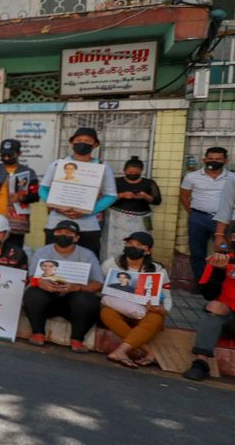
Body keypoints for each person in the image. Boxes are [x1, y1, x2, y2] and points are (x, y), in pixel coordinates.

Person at [22, 219, 104, 349]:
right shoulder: (42, 252)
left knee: (89, 300)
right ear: (54, 234)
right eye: (59, 232)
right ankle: (38, 333)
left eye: (68, 233)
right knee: (33, 293)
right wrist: (40, 282)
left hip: (74, 300)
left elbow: (98, 283)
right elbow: (31, 277)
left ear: (76, 238)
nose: (63, 235)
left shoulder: (87, 255)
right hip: (48, 297)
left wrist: (78, 288)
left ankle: (77, 339)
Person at [38, 127, 117, 256]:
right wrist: (57, 207)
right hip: (57, 223)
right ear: (72, 142)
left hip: (88, 226)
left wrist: (88, 211)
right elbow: (43, 189)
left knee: (86, 263)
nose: (82, 143)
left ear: (95, 144)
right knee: (52, 261)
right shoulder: (58, 164)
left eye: (87, 141)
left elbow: (111, 195)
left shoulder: (102, 167)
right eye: (79, 140)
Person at [100, 233, 172, 369]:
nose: (133, 247)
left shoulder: (158, 269)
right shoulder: (110, 264)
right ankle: (148, 352)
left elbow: (167, 297)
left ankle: (121, 351)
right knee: (106, 313)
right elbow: (102, 288)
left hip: (146, 311)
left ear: (148, 251)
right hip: (120, 309)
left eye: (140, 245)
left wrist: (162, 309)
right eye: (130, 244)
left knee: (157, 318)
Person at [183, 244, 235, 382]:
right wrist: (219, 272)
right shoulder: (220, 259)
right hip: (228, 318)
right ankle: (201, 364)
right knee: (214, 306)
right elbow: (208, 295)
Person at [0, 139, 40, 250]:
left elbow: (35, 196)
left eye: (10, 155)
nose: (6, 158)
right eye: (3, 155)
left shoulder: (29, 172)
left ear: (19, 154)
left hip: (16, 222)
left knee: (13, 253)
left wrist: (22, 197)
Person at [180, 147, 230, 283]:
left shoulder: (232, 178)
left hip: (224, 221)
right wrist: (193, 214)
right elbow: (184, 197)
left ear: (226, 160)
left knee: (225, 252)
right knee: (197, 253)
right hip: (198, 219)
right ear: (204, 160)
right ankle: (201, 283)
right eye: (211, 158)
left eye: (218, 159)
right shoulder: (191, 177)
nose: (214, 161)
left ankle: (223, 284)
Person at [105, 157, 162, 261]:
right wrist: (122, 195)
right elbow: (105, 197)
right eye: (130, 172)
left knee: (140, 242)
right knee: (116, 244)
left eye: (136, 172)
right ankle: (113, 264)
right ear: (124, 170)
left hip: (142, 218)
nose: (133, 174)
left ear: (141, 171)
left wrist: (145, 196)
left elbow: (157, 201)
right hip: (117, 219)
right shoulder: (116, 181)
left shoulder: (149, 183)